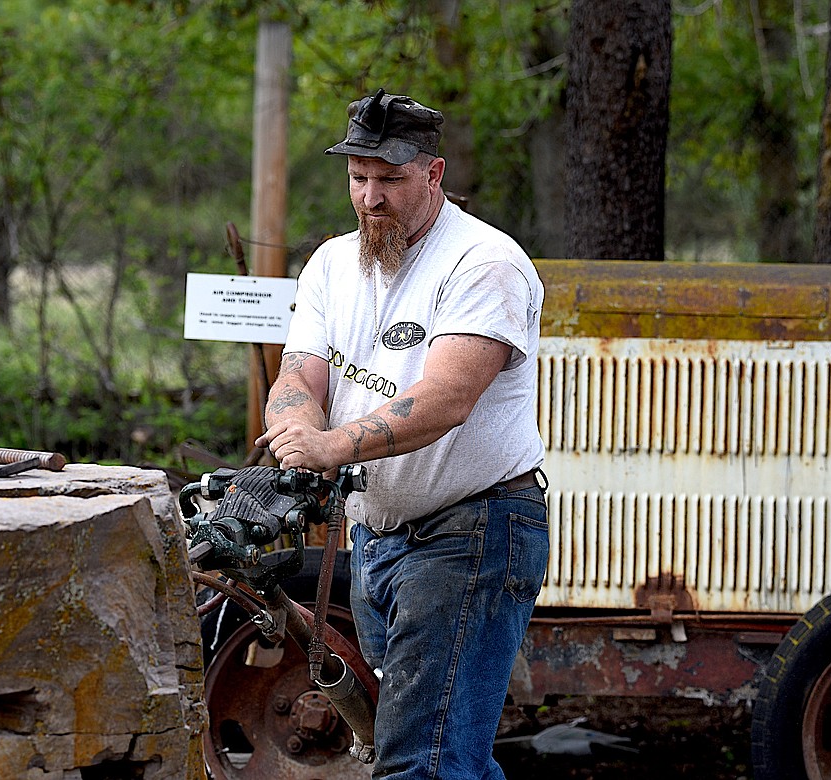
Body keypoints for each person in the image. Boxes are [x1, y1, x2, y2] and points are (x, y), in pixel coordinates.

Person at [254, 88, 550, 780]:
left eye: (389, 179)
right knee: (440, 754)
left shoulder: (485, 263)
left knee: (423, 761)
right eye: (358, 177)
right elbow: (297, 378)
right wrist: (296, 427)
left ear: (433, 174)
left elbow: (446, 398)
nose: (370, 198)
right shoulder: (331, 264)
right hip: (379, 539)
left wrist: (330, 447)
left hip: (471, 531)